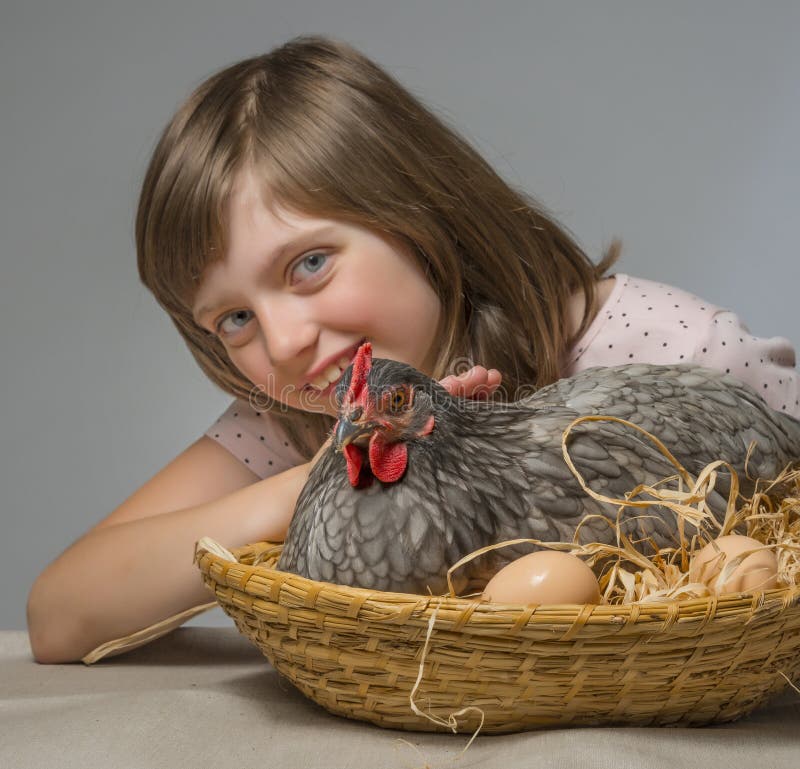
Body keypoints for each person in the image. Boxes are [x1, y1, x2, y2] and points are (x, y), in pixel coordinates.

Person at [26, 35, 799, 664]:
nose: (287, 342)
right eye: (233, 319)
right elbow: (60, 613)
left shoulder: (654, 346)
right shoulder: (298, 425)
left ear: (414, 211)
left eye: (309, 264)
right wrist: (308, 482)